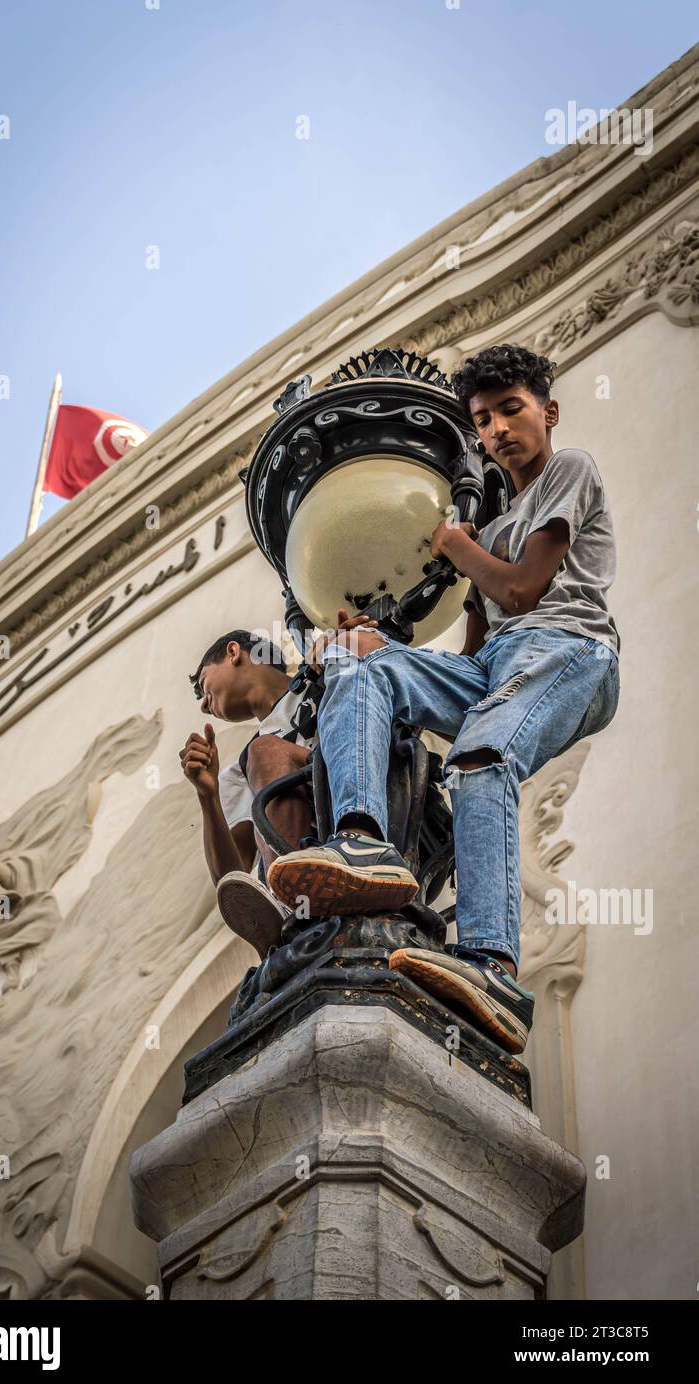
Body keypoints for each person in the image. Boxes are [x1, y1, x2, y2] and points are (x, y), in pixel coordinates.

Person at [267, 343, 621, 1055]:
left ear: (547, 412)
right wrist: (376, 645)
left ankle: (491, 964)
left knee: (483, 755)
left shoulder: (569, 470)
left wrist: (452, 546)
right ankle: (364, 844)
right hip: (498, 667)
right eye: (483, 421)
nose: (496, 431)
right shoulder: (487, 529)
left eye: (511, 412)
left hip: (570, 650)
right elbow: (471, 654)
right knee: (361, 669)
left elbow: (523, 590)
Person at [180, 630, 318, 959]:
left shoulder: (320, 680)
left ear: (233, 652)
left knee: (266, 751)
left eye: (203, 684)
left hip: (346, 798)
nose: (203, 705)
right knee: (262, 754)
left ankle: (289, 900)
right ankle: (287, 905)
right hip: (301, 867)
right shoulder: (241, 769)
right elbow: (234, 878)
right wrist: (208, 796)